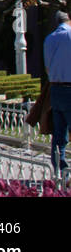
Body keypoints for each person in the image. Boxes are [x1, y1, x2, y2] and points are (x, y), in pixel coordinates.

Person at [43, 10, 71, 179]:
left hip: (55, 90)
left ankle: (60, 173)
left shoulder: (49, 39)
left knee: (58, 135)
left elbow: (47, 68)